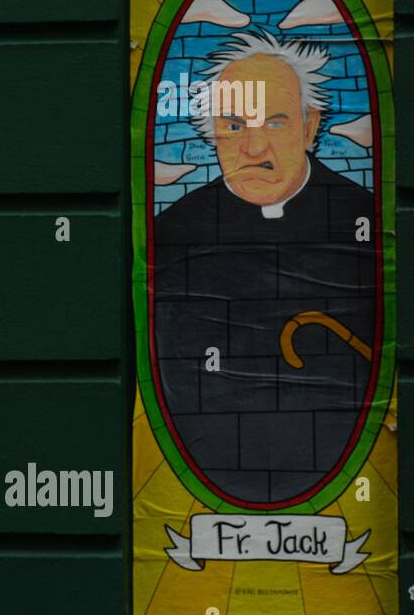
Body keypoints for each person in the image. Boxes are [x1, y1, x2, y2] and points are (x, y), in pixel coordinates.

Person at [153, 30, 377, 504]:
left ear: (310, 125)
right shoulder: (172, 234)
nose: (253, 150)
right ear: (210, 130)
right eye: (234, 127)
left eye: (274, 124)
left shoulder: (368, 221)